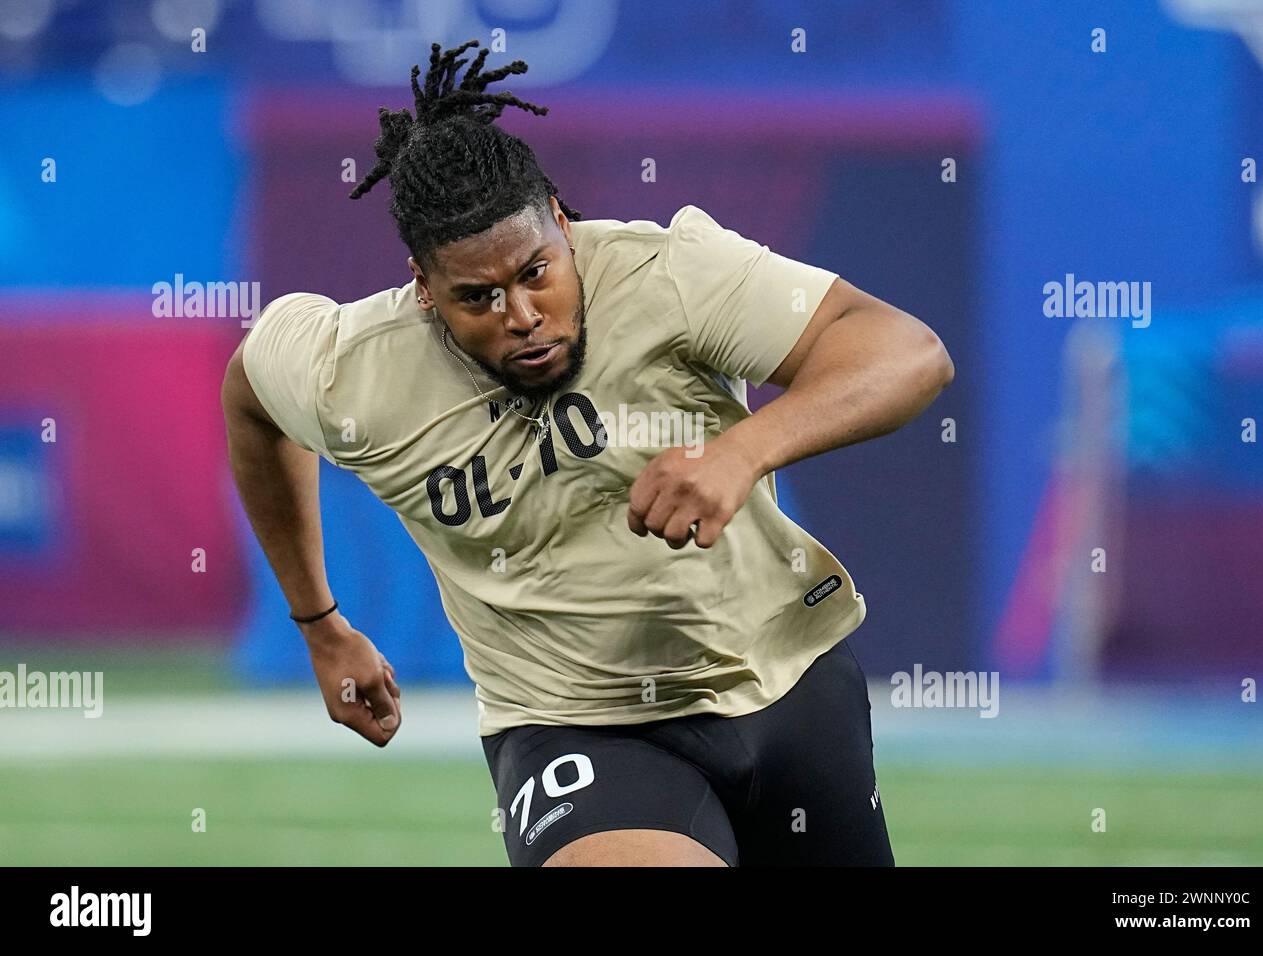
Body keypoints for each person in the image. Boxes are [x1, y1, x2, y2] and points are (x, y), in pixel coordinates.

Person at [221, 39, 954, 866]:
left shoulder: (668, 274)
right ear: (423, 290)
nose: (522, 313)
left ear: (563, 228)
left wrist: (743, 449)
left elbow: (909, 352)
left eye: (538, 271)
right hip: (573, 725)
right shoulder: (352, 370)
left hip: (786, 677)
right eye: (478, 297)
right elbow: (249, 401)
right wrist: (319, 622)